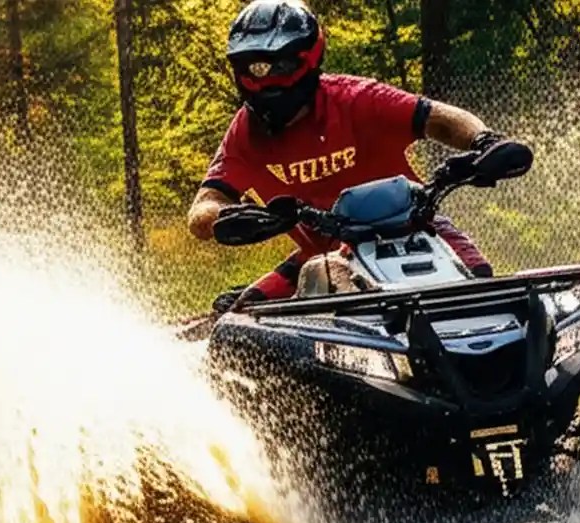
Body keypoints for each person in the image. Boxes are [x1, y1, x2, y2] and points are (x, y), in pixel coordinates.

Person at [187, 0, 511, 311]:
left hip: (416, 231)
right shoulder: (245, 132)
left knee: (480, 289)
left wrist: (485, 141)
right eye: (254, 69)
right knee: (239, 319)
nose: (268, 81)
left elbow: (436, 118)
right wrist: (227, 218)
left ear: (310, 59)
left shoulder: (356, 99)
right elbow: (204, 206)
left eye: (282, 66)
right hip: (320, 259)